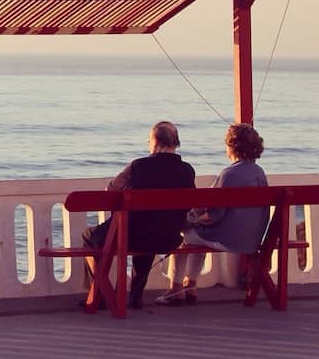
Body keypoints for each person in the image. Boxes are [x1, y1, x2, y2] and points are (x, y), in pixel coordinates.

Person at [82, 121, 196, 309]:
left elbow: (111, 190)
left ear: (155, 142)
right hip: (168, 238)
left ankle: (99, 294)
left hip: (132, 236)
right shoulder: (187, 170)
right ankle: (135, 297)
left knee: (90, 236)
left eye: (149, 140)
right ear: (175, 143)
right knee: (149, 231)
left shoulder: (139, 166)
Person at [155, 122, 268, 306]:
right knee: (198, 235)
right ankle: (189, 285)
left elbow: (214, 215)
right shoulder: (259, 173)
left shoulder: (229, 174)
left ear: (232, 146)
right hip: (253, 238)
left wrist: (193, 220)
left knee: (185, 237)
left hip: (228, 238)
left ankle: (175, 290)